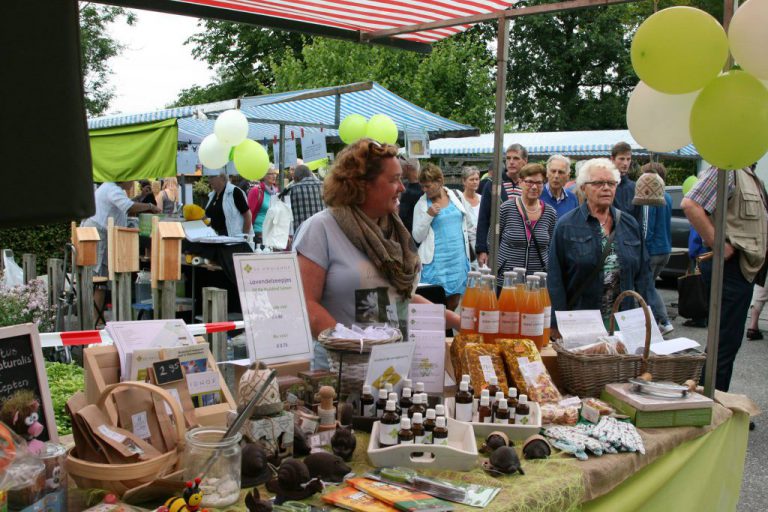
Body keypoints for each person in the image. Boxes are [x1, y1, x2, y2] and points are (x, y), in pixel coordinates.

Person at [294, 139, 459, 368]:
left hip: (390, 370)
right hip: (339, 373)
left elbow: (398, 300)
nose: (402, 187)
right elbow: (307, 305)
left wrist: (460, 322)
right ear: (362, 184)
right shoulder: (321, 229)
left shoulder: (392, 231)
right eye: (394, 180)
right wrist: (353, 349)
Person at [682, 164, 768, 392]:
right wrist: (719, 244)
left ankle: (712, 398)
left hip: (742, 269)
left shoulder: (750, 175)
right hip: (730, 267)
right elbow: (690, 204)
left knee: (727, 342)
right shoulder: (728, 168)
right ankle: (710, 402)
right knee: (723, 343)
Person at [548, 158, 652, 333]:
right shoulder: (567, 225)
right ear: (583, 188)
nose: (606, 188)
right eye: (598, 183)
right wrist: (556, 324)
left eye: (611, 183)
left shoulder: (629, 224)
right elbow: (555, 279)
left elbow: (644, 275)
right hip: (582, 321)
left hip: (623, 323)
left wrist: (651, 316)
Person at [82, 181, 161, 314]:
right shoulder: (112, 189)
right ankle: (95, 319)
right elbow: (128, 206)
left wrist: (140, 196)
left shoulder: (110, 188)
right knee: (100, 279)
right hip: (99, 235)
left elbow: (123, 203)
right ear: (123, 179)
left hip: (98, 233)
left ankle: (95, 318)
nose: (132, 182)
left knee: (99, 278)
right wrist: (150, 206)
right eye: (131, 179)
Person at [412, 164, 475, 311]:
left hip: (457, 260)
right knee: (434, 305)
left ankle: (448, 326)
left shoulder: (457, 196)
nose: (424, 190)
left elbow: (470, 224)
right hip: (436, 263)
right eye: (422, 186)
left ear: (439, 181)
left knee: (453, 303)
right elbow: (417, 237)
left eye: (428, 186)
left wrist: (478, 250)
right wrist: (428, 215)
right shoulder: (421, 204)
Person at [496, 163, 558, 285]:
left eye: (539, 183)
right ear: (520, 182)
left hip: (537, 281)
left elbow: (552, 247)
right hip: (507, 280)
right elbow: (492, 241)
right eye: (529, 182)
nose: (534, 187)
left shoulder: (550, 213)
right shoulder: (506, 208)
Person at [633, 163, 674, 334]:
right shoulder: (667, 196)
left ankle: (663, 321)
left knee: (646, 286)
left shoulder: (649, 193)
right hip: (665, 248)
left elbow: (646, 226)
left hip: (652, 250)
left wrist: (641, 249)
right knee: (650, 285)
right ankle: (654, 323)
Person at [476, 144, 528, 267]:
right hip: (498, 246)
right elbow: (483, 217)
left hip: (523, 247)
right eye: (508, 158)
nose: (511, 162)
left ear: (525, 161)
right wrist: (482, 249)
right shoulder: (493, 184)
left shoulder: (529, 184)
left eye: (516, 158)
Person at [206, 170, 252, 237]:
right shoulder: (212, 195)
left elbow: (248, 215)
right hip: (214, 239)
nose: (209, 180)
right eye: (208, 177)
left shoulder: (234, 192)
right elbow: (208, 216)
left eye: (212, 177)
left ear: (222, 177)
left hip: (232, 239)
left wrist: (244, 236)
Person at [286, 164, 324, 235]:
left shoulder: (291, 189)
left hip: (301, 234)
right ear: (310, 174)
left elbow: (286, 215)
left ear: (296, 178)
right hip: (322, 231)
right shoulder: (324, 187)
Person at [247, 166, 279, 242]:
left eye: (275, 173)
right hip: (259, 234)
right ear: (263, 175)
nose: (274, 176)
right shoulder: (256, 191)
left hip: (273, 234)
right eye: (271, 174)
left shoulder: (277, 192)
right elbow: (249, 213)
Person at [610, 142, 637, 217]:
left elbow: (639, 218)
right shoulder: (604, 185)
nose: (625, 163)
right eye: (622, 159)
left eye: (628, 159)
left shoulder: (635, 187)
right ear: (612, 159)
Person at [397, 157, 422, 234]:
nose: (399, 170)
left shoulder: (424, 189)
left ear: (408, 167)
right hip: (403, 231)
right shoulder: (403, 186)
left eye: (400, 167)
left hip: (415, 234)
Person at [461, 167, 482, 258]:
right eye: (471, 179)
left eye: (477, 179)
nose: (475, 182)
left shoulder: (482, 199)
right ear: (464, 181)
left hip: (481, 241)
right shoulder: (459, 200)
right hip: (466, 243)